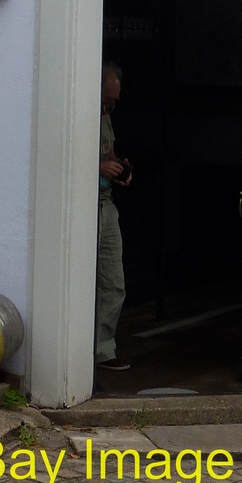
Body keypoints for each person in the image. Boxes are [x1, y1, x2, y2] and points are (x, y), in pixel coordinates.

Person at [96, 61, 131, 371]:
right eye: (106, 99)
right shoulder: (80, 112)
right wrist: (99, 169)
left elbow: (109, 154)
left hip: (107, 205)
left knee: (113, 282)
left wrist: (118, 168)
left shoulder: (106, 117)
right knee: (86, 280)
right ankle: (82, 348)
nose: (109, 105)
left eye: (114, 101)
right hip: (87, 205)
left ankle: (103, 351)